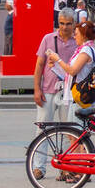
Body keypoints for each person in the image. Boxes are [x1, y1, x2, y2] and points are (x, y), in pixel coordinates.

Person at [30, 10, 78, 175]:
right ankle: (38, 167)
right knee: (42, 129)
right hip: (48, 90)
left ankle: (66, 168)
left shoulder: (77, 42)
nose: (64, 27)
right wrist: (37, 88)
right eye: (61, 23)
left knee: (68, 130)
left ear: (74, 24)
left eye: (68, 24)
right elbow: (39, 65)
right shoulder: (48, 39)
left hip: (69, 93)